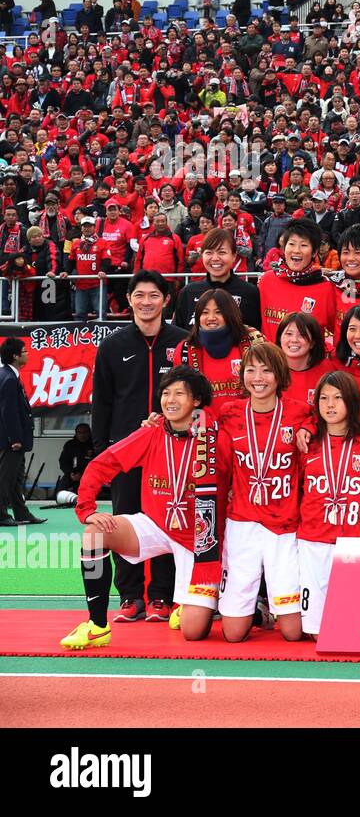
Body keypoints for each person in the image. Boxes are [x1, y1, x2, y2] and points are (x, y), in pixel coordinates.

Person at [61, 366, 227, 649]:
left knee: (192, 631)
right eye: (165, 393)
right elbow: (103, 464)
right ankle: (97, 626)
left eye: (179, 394)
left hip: (202, 539)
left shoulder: (216, 434)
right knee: (94, 533)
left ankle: (189, 605)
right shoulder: (151, 433)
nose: (170, 400)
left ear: (197, 400)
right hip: (157, 524)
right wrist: (87, 509)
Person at [90, 271, 188, 622]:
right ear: (129, 299)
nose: (146, 302)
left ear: (166, 300)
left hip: (171, 450)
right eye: (139, 295)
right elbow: (101, 402)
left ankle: (162, 596)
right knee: (122, 521)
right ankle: (130, 596)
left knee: (166, 520)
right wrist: (104, 451)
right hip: (125, 452)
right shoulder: (113, 346)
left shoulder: (182, 343)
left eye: (154, 295)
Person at [214, 342, 310, 643]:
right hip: (242, 522)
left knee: (294, 634)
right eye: (251, 370)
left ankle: (269, 606)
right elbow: (194, 432)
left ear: (280, 375)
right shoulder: (228, 414)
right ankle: (257, 608)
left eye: (267, 370)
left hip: (284, 525)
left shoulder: (300, 413)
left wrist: (310, 427)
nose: (258, 377)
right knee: (232, 634)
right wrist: (157, 424)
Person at [298, 370, 360, 637]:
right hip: (313, 539)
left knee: (353, 627)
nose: (330, 405)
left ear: (352, 401)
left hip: (354, 540)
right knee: (316, 632)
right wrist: (308, 426)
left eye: (338, 398)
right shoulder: (307, 443)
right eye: (324, 398)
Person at [172, 289, 261, 412]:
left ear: (230, 314)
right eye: (205, 312)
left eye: (218, 312)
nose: (211, 318)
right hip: (202, 421)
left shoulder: (253, 341)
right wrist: (202, 429)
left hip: (246, 422)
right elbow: (180, 396)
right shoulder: (184, 350)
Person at [259, 220, 338, 343]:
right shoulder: (267, 281)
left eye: (303, 245)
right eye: (291, 244)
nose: (296, 250)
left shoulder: (326, 288)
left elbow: (338, 332)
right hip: (271, 360)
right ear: (283, 248)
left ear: (315, 252)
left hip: (308, 361)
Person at [172, 228, 262, 332]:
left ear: (234, 256)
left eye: (222, 252)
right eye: (209, 252)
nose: (215, 258)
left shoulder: (250, 293)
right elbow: (179, 333)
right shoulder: (188, 292)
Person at [0, 338, 41, 526]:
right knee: (5, 478)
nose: (27, 354)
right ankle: (1, 515)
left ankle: (21, 513)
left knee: (16, 479)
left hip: (14, 439)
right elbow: (9, 411)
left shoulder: (9, 375)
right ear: (15, 356)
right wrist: (15, 438)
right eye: (24, 351)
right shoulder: (8, 378)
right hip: (10, 441)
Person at [277, 313, 332, 411]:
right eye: (289, 334)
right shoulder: (269, 371)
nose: (294, 340)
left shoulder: (330, 371)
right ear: (279, 338)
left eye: (302, 335)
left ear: (313, 342)